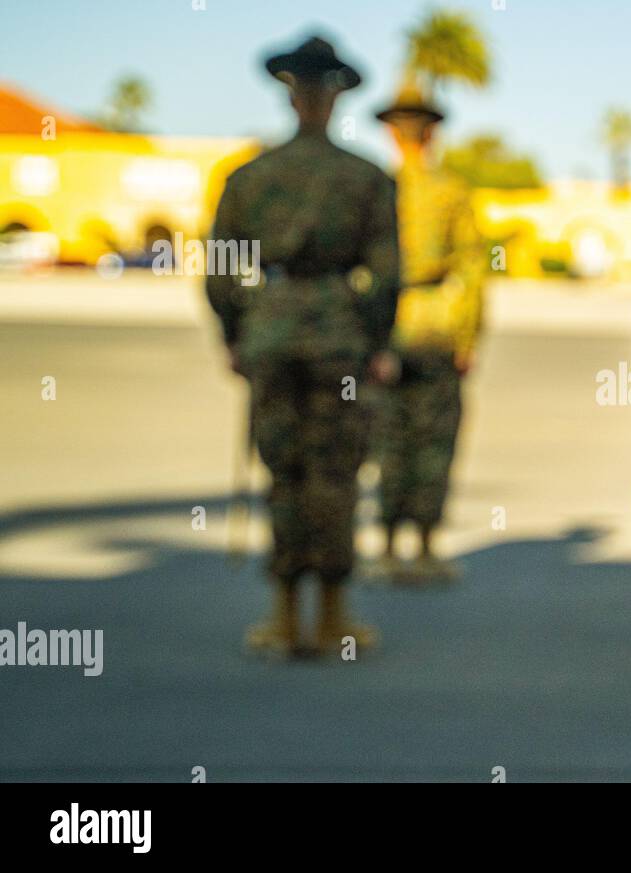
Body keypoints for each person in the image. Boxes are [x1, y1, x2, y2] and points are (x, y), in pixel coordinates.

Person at [206, 35, 400, 654]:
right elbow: (386, 275)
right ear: (336, 97)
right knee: (337, 474)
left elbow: (220, 272)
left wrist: (238, 333)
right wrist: (374, 340)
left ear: (290, 95)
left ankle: (286, 616)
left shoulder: (249, 177)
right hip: (339, 336)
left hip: (271, 333)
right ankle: (334, 616)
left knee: (284, 471)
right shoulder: (366, 178)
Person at [371, 84, 485, 580]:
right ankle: (423, 545)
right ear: (434, 131)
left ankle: (392, 546)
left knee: (390, 440)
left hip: (391, 326)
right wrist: (467, 335)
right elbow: (473, 267)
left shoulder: (379, 186)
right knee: (434, 441)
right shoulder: (451, 189)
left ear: (391, 133)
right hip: (436, 325)